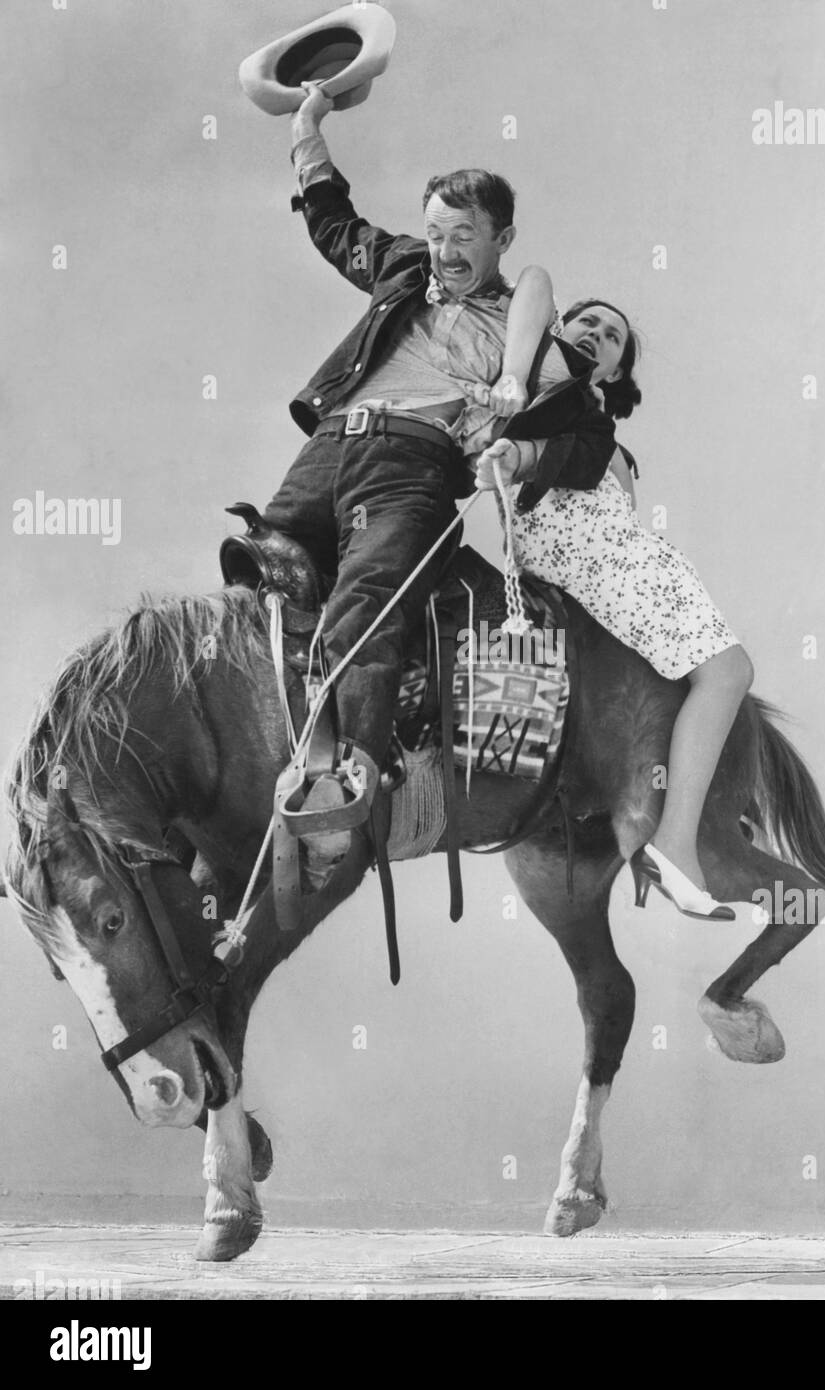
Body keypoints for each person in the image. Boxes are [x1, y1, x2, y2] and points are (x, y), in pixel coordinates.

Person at [260, 83, 616, 848]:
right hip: (326, 450)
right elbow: (332, 221)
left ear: (501, 237)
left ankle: (345, 783)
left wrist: (520, 448)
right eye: (434, 233)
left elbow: (589, 444)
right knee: (262, 581)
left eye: (462, 235)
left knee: (366, 604)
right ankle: (237, 756)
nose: (445, 252)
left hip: (410, 466)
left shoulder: (532, 340)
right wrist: (306, 126)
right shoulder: (400, 269)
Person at [471, 280, 754, 921]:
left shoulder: (595, 420)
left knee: (685, 681)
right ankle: (675, 844)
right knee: (729, 673)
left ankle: (703, 801)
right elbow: (535, 286)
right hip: (599, 558)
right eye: (587, 323)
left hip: (605, 559)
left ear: (617, 370)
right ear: (557, 331)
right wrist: (519, 389)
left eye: (611, 337)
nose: (596, 335)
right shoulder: (550, 388)